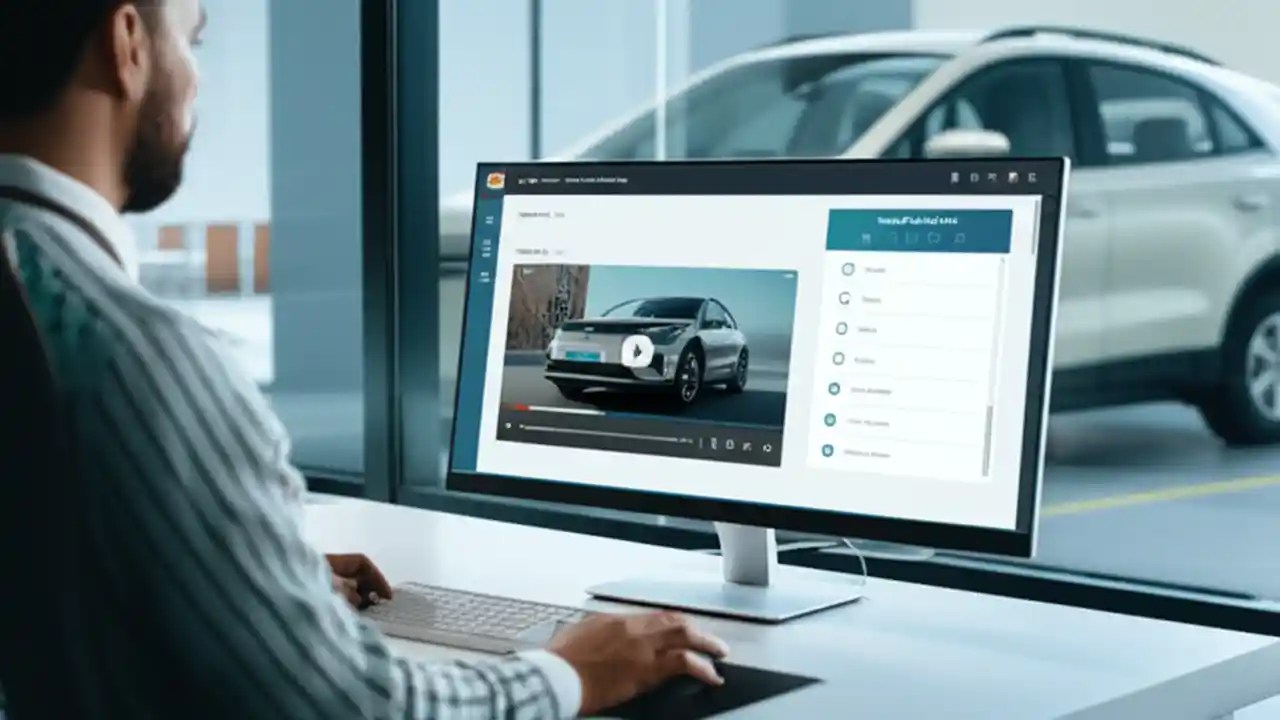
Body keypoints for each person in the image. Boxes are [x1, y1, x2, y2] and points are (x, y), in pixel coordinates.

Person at [0, 0, 727, 717]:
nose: (197, 81)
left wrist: (245, 577)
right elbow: (353, 708)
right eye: (194, 40)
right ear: (128, 42)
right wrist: (572, 674)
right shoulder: (143, 360)